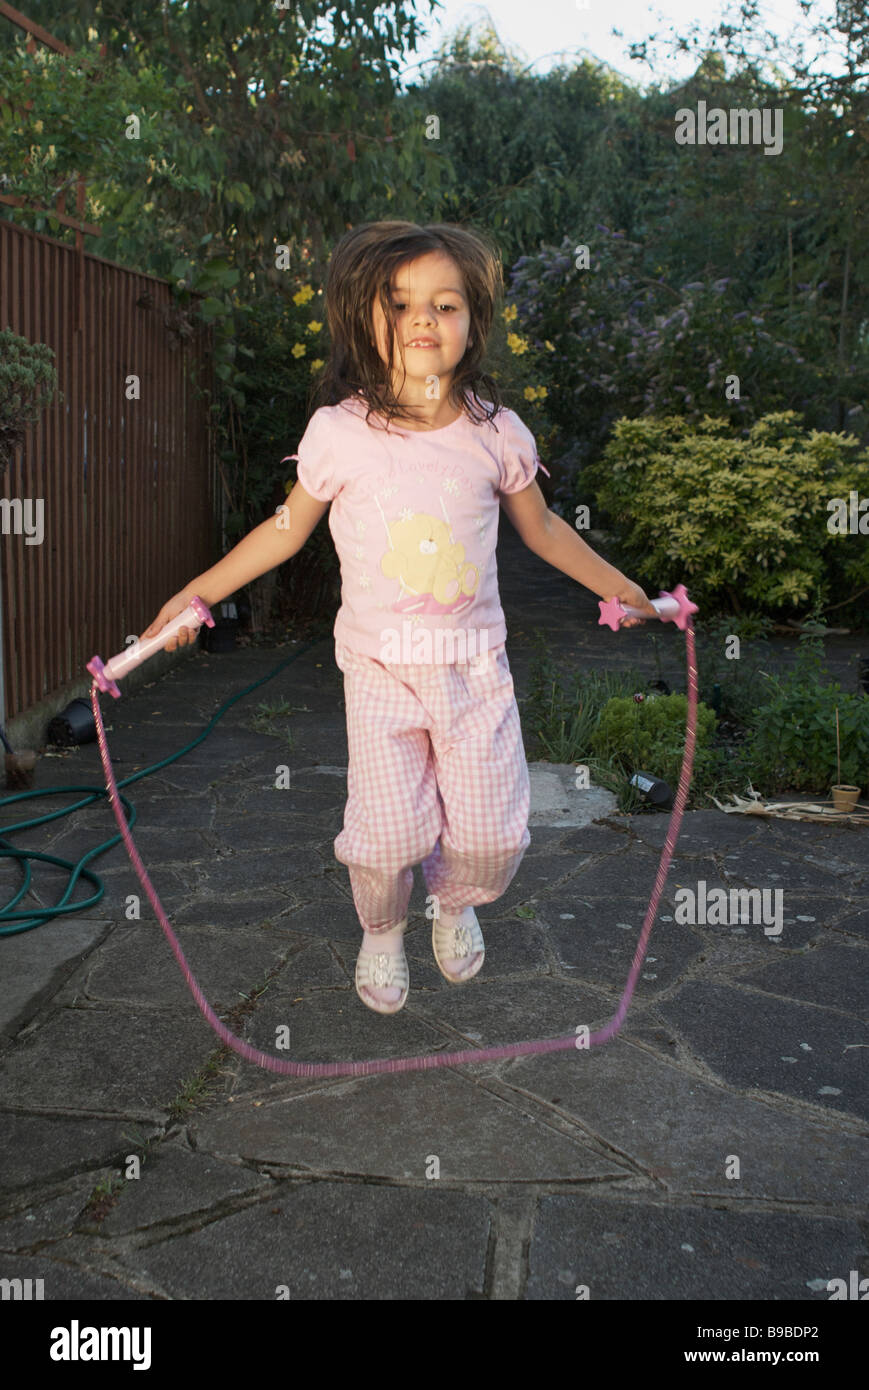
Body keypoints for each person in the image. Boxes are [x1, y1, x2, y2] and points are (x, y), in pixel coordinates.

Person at [142, 220, 656, 1017]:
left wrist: (620, 586)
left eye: (445, 304)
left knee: (491, 837)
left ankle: (452, 905)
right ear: (363, 318)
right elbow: (285, 530)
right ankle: (381, 928)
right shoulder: (339, 433)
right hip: (380, 672)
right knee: (383, 839)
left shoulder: (496, 433)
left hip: (475, 668)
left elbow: (544, 531)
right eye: (400, 302)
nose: (423, 319)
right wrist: (196, 594)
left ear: (472, 324)